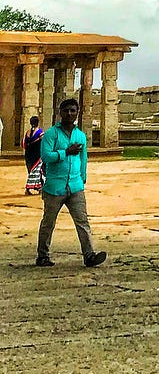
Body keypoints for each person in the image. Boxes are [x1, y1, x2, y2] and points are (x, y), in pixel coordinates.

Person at [36, 98, 106, 267]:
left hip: (75, 186)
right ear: (60, 113)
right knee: (48, 222)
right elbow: (46, 157)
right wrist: (65, 152)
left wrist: (82, 179)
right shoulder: (51, 134)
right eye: (66, 110)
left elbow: (83, 160)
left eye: (73, 111)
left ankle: (89, 255)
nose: (69, 113)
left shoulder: (80, 135)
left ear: (77, 113)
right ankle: (43, 255)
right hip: (55, 186)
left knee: (82, 222)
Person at [23, 115, 44, 195]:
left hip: (28, 155)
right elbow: (43, 143)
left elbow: (24, 144)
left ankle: (32, 188)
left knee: (31, 172)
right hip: (37, 155)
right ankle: (38, 187)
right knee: (37, 172)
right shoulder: (40, 132)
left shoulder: (27, 132)